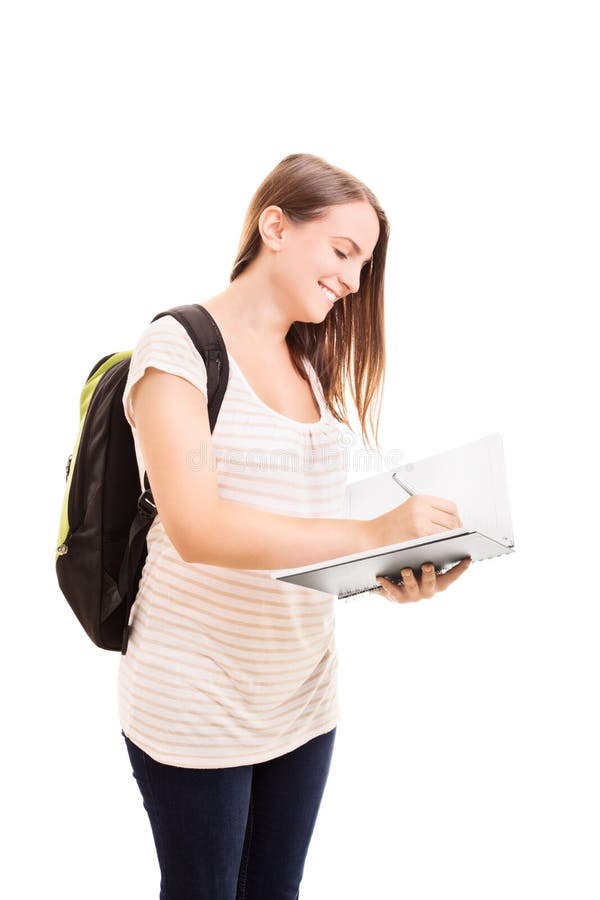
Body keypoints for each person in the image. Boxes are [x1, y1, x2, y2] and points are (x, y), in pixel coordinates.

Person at [119, 152, 471, 899]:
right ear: (275, 226)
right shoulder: (177, 347)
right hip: (198, 697)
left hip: (303, 694)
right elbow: (199, 528)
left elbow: (301, 528)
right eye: (342, 251)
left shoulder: (308, 363)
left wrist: (389, 571)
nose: (352, 279)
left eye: (364, 263)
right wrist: (375, 533)